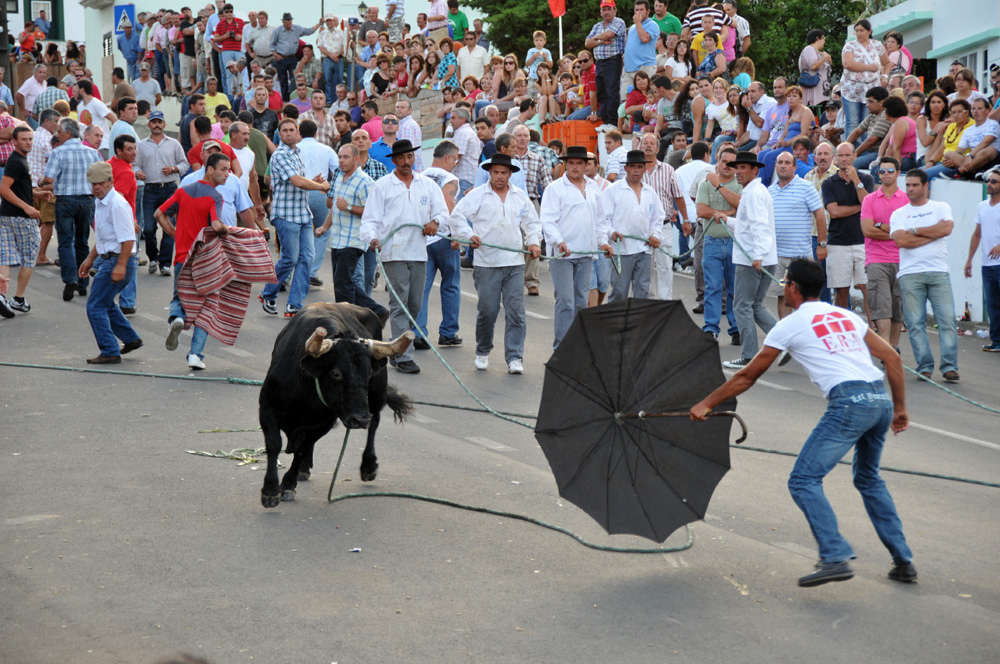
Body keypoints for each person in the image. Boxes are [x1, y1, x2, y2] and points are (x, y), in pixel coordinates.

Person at [691, 258, 916, 588]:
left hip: (849, 403)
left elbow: (748, 375)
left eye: (784, 284)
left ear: (793, 288)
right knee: (868, 479)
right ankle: (903, 560)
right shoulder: (845, 315)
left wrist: (706, 403)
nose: (783, 288)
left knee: (803, 480)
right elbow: (892, 358)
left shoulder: (790, 324)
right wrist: (899, 409)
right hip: (878, 400)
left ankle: (835, 555)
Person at [360, 139, 449, 374]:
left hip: (419, 252)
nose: (406, 162)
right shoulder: (382, 186)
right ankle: (403, 356)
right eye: (401, 158)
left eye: (409, 157)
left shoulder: (427, 186)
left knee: (415, 304)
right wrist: (373, 239)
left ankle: (397, 347)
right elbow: (369, 220)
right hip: (393, 252)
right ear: (394, 161)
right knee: (400, 303)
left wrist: (435, 222)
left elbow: (443, 214)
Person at [448, 154, 542, 373]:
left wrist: (534, 243)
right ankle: (483, 350)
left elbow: (532, 223)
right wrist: (469, 235)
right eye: (496, 172)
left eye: (504, 172)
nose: (499, 176)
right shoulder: (478, 195)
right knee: (488, 311)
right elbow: (457, 216)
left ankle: (515, 357)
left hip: (515, 263)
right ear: (489, 173)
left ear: (510, 174)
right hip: (486, 262)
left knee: (516, 312)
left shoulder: (519, 196)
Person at [156, 152, 232, 370]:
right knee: (207, 306)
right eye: (223, 169)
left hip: (182, 257)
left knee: (178, 297)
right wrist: (227, 231)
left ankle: (176, 319)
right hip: (205, 260)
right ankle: (195, 355)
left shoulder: (183, 191)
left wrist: (175, 233)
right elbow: (217, 225)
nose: (227, 174)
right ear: (210, 170)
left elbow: (158, 214)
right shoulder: (215, 197)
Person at [889, 169, 960, 383]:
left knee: (947, 320)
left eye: (914, 185)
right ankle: (925, 365)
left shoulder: (940, 207)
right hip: (910, 274)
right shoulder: (899, 214)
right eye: (908, 185)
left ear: (925, 185)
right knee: (915, 322)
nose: (910, 189)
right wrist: (931, 233)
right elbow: (901, 241)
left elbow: (946, 229)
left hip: (938, 272)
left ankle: (949, 366)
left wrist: (914, 231)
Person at [259, 119, 333, 317]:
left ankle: (294, 305)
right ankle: (268, 292)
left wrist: (313, 181)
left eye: (292, 130)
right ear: (279, 134)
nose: (289, 133)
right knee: (290, 258)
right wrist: (321, 186)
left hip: (302, 214)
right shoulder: (280, 155)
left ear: (298, 133)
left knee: (306, 258)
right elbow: (298, 182)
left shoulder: (296, 153)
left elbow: (301, 180)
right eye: (285, 130)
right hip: (286, 215)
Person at [74, 162, 144, 364]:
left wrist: (121, 265)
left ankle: (109, 350)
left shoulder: (116, 203)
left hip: (119, 260)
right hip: (110, 258)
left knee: (95, 306)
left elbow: (128, 238)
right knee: (104, 302)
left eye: (101, 183)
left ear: (111, 182)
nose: (97, 187)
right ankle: (131, 339)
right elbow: (104, 237)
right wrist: (89, 259)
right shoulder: (100, 201)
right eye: (93, 183)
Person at [541, 146, 610, 349]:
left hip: (586, 254)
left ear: (585, 165)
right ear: (565, 165)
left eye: (579, 163)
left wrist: (603, 242)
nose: (574, 167)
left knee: (581, 301)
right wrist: (558, 241)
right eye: (571, 163)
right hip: (563, 254)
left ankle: (578, 347)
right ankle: (561, 348)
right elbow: (548, 221)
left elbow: (600, 220)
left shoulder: (593, 187)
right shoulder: (555, 188)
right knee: (565, 301)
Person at [718, 152, 778, 370]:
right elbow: (748, 225)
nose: (738, 172)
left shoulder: (753, 194)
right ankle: (785, 341)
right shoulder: (755, 191)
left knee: (742, 305)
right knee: (754, 305)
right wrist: (728, 220)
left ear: (755, 170)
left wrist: (758, 255)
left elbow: (759, 225)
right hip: (762, 256)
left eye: (743, 168)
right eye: (737, 167)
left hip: (752, 258)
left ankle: (749, 355)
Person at [40, 118, 103, 301]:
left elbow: (49, 180)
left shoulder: (58, 152)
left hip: (65, 201)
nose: (57, 135)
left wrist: (40, 182)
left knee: (66, 242)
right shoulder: (93, 153)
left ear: (68, 133)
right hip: (86, 201)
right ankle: (83, 283)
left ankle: (70, 280)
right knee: (82, 242)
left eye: (59, 131)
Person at [318, 142, 384, 317]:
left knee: (342, 284)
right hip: (338, 240)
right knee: (345, 282)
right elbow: (335, 207)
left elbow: (373, 212)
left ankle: (345, 319)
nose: (341, 161)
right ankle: (376, 311)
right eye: (339, 157)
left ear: (356, 159)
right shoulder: (339, 177)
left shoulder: (365, 182)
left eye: (346, 157)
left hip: (354, 240)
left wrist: (349, 207)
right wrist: (324, 227)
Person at [412, 140, 462, 349]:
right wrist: (456, 234)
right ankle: (448, 332)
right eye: (456, 159)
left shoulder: (420, 177)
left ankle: (418, 332)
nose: (456, 164)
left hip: (423, 236)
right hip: (443, 237)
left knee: (422, 287)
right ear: (449, 158)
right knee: (450, 284)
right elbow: (448, 205)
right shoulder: (449, 178)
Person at [599, 150, 665, 301]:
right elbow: (603, 219)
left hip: (645, 248)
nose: (636, 170)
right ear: (626, 169)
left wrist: (655, 235)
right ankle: (616, 323)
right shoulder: (613, 190)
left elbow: (658, 218)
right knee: (619, 291)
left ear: (644, 169)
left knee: (643, 291)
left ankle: (639, 324)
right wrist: (611, 232)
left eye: (639, 167)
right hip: (622, 249)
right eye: (633, 166)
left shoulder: (650, 192)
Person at [769, 151, 826, 320]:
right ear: (776, 166)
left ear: (795, 167)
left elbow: (820, 215)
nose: (783, 166)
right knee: (783, 297)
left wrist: (822, 244)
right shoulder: (769, 191)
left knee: (807, 300)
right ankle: (788, 339)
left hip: (800, 256)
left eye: (787, 163)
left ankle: (808, 336)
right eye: (780, 162)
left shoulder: (806, 187)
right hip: (777, 257)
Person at [860, 156, 907, 350]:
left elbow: (909, 232)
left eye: (889, 171)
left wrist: (882, 228)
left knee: (897, 308)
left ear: (897, 173)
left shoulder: (906, 200)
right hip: (876, 259)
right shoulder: (869, 199)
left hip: (903, 260)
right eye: (882, 171)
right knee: (881, 306)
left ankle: (892, 348)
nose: (885, 175)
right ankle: (887, 347)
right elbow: (868, 231)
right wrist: (895, 233)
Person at [0, 127, 48, 316]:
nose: (28, 142)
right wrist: (26, 207)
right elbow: (4, 189)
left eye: (30, 139)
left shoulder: (19, 160)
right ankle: (18, 298)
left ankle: (2, 296)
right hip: (21, 218)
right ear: (14, 141)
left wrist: (37, 193)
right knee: (28, 258)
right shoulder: (17, 162)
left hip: (6, 216)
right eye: (24, 139)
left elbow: (18, 188)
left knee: (6, 256)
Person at [823, 142, 875, 313]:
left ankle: (873, 331)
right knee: (841, 290)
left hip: (863, 241)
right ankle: (841, 329)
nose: (844, 159)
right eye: (840, 155)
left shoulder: (866, 179)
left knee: (867, 288)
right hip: (838, 242)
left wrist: (857, 182)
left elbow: (870, 205)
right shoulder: (829, 183)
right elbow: (835, 212)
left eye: (847, 155)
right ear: (836, 158)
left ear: (855, 156)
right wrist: (860, 208)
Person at [136, 110, 190, 276]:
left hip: (170, 189)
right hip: (150, 189)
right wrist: (137, 173)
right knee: (149, 228)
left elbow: (184, 164)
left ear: (164, 124)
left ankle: (165, 263)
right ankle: (153, 257)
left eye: (160, 121)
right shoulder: (141, 145)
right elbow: (135, 165)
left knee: (169, 227)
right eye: (154, 122)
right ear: (149, 125)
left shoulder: (173, 143)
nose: (157, 124)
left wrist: (174, 168)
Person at [695, 146, 741, 341]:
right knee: (712, 287)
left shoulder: (740, 184)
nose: (728, 166)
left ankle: (736, 329)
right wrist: (727, 212)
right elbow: (701, 211)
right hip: (712, 242)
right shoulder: (705, 184)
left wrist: (720, 189)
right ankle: (711, 328)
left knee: (734, 288)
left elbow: (740, 205)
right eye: (724, 161)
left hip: (734, 243)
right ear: (718, 161)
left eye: (732, 163)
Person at [639, 132, 685, 301]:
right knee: (646, 266)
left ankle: (665, 301)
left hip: (664, 225)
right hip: (641, 226)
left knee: (665, 265)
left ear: (658, 149)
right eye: (646, 143)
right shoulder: (635, 170)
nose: (649, 145)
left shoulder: (667, 169)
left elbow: (678, 196)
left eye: (652, 143)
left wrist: (685, 219)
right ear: (641, 146)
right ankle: (648, 301)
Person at [294, 119, 339, 287]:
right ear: (315, 133)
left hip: (300, 192)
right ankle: (312, 270)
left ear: (299, 133)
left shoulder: (295, 149)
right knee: (322, 231)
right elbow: (338, 171)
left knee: (299, 232)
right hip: (321, 191)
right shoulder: (327, 150)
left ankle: (295, 271)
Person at [966, 168, 1000, 352]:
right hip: (987, 264)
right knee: (993, 305)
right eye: (989, 180)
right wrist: (969, 259)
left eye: (994, 181)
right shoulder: (982, 206)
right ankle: (997, 341)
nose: (990, 184)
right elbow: (977, 234)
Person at [839, 19, 889, 140]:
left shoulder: (877, 45)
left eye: (862, 30)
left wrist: (885, 76)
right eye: (857, 30)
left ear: (869, 31)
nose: (859, 33)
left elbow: (887, 63)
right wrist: (870, 68)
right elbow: (848, 64)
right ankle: (850, 150)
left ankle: (865, 151)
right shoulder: (849, 46)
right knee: (852, 121)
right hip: (851, 90)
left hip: (870, 90)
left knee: (868, 121)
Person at [585, 0, 628, 130]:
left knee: (612, 92)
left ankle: (613, 122)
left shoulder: (619, 22)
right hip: (599, 63)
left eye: (609, 9)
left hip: (612, 61)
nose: (606, 12)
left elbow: (609, 34)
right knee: (602, 93)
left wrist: (595, 39)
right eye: (604, 9)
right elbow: (587, 43)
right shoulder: (597, 26)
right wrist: (600, 40)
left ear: (615, 10)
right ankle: (606, 120)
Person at [28, 109, 59, 266]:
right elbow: (52, 163)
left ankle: (26, 253)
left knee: (33, 222)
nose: (57, 125)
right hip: (45, 186)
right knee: (47, 221)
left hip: (30, 185)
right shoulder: (48, 139)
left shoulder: (31, 135)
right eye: (55, 121)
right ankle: (40, 255)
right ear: (46, 121)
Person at [270, 13, 323, 102]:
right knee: (283, 80)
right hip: (281, 58)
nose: (289, 25)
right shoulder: (277, 31)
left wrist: (319, 24)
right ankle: (285, 100)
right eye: (287, 23)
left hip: (292, 57)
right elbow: (271, 44)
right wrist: (275, 54)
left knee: (294, 78)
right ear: (283, 22)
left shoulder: (296, 29)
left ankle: (295, 97)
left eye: (290, 23)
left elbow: (309, 31)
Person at [799, 30, 833, 108]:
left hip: (822, 93)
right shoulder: (809, 49)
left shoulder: (818, 52)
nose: (824, 41)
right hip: (813, 94)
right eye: (823, 38)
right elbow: (813, 66)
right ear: (817, 38)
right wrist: (824, 57)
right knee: (816, 116)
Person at [16, 64, 48, 129]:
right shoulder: (30, 82)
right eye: (40, 72)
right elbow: (18, 95)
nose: (42, 74)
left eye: (44, 73)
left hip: (44, 116)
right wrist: (23, 110)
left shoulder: (45, 83)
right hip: (33, 115)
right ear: (35, 73)